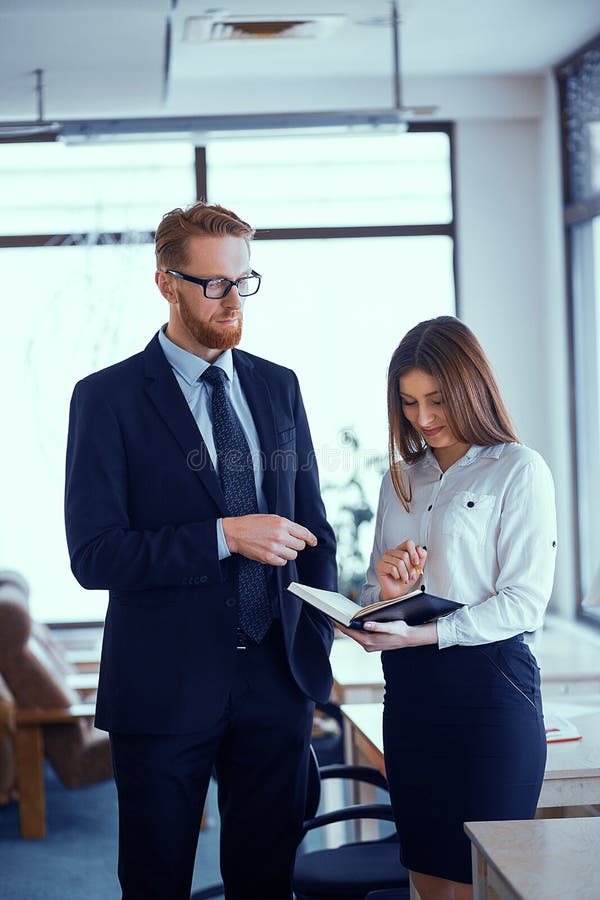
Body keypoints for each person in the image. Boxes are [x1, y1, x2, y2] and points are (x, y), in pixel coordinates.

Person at [64, 201, 337, 900]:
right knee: (156, 883)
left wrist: (318, 647)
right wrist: (223, 536)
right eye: (213, 283)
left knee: (266, 883)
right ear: (166, 283)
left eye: (243, 280)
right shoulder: (107, 399)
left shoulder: (279, 386)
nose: (232, 298)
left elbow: (313, 529)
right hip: (163, 689)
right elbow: (95, 555)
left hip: (276, 684)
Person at [338, 316, 557, 900]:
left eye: (436, 399)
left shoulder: (518, 469)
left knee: (482, 884)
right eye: (408, 403)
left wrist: (428, 633)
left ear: (470, 387)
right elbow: (372, 592)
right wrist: (383, 594)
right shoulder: (401, 478)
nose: (423, 417)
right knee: (428, 879)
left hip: (489, 694)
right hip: (411, 698)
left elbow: (525, 603)